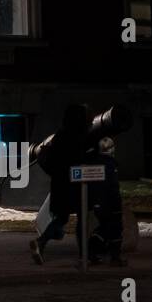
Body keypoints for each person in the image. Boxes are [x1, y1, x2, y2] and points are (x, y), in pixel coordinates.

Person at [30, 103, 90, 264]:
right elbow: (79, 159)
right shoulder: (77, 136)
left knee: (61, 218)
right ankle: (84, 255)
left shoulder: (61, 135)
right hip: (75, 184)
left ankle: (41, 242)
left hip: (61, 184)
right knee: (82, 218)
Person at [85, 137, 126, 266]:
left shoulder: (95, 163)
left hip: (98, 203)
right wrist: (116, 203)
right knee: (115, 229)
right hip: (110, 203)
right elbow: (112, 186)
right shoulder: (110, 164)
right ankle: (114, 258)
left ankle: (91, 253)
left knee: (104, 228)